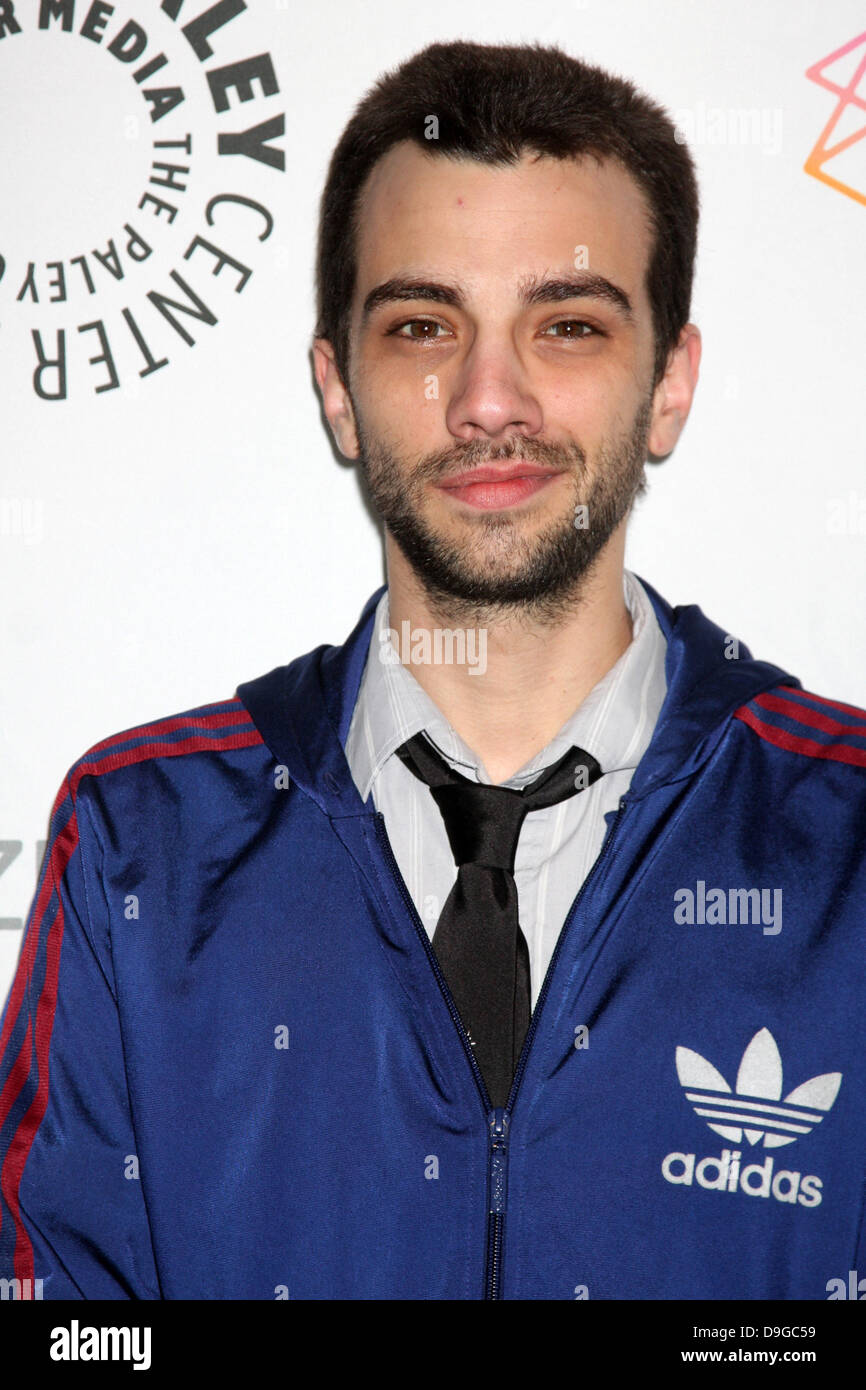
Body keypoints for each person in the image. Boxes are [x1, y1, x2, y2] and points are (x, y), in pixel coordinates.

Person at [1, 39, 864, 1302]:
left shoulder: (844, 843)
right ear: (338, 390)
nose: (485, 397)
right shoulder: (143, 844)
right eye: (421, 324)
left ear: (668, 384)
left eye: (565, 325)